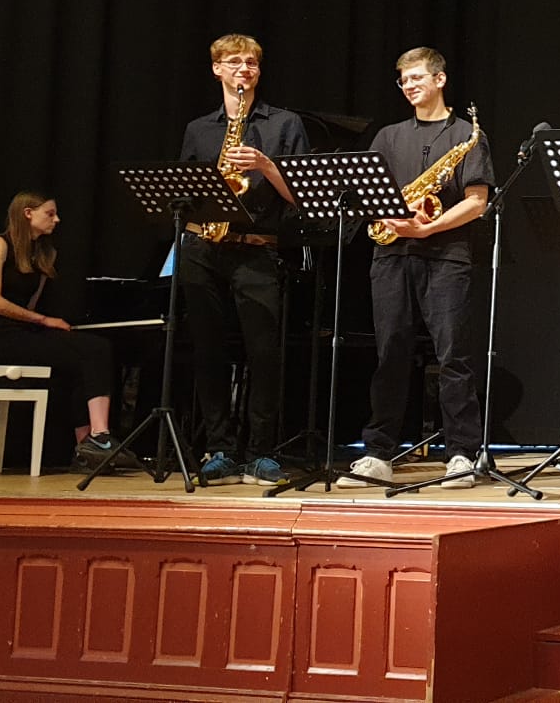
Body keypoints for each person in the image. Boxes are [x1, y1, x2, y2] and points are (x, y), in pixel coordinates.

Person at [339, 47, 494, 490]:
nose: (409, 86)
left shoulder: (467, 134)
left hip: (447, 256)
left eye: (417, 78)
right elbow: (366, 197)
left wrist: (429, 229)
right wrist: (389, 219)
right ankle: (378, 452)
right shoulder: (388, 136)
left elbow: (477, 202)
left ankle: (462, 452)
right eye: (403, 80)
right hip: (391, 257)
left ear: (440, 80)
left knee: (453, 357)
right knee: (390, 353)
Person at [177, 33, 309, 486]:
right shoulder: (199, 129)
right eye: (234, 62)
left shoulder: (284, 124)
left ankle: (262, 451)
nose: (244, 69)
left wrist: (267, 167)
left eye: (252, 62)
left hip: (257, 248)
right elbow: (184, 195)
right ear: (217, 69)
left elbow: (304, 200)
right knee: (208, 350)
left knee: (264, 353)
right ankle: (219, 447)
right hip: (203, 248)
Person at [0, 191, 129, 473]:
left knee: (88, 354)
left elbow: (29, 306)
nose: (57, 219)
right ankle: (100, 438)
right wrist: (43, 320)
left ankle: (87, 451)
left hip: (21, 333)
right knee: (93, 350)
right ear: (28, 213)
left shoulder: (42, 255)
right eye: (49, 214)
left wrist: (43, 325)